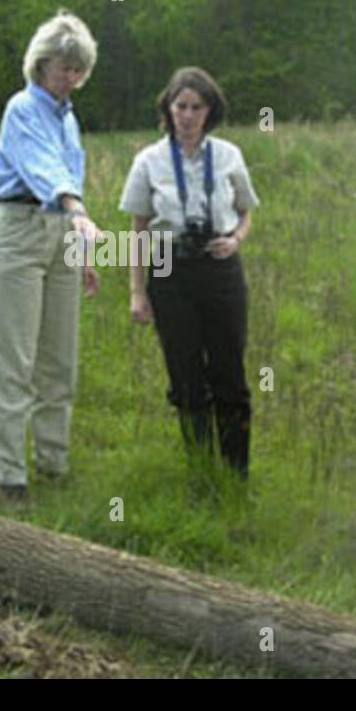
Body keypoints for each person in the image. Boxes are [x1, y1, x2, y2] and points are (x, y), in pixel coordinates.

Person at [0, 10, 100, 503]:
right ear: (41, 63)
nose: (69, 77)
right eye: (62, 66)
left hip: (61, 237)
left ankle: (54, 462)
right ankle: (11, 475)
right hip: (18, 231)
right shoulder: (22, 110)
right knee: (15, 358)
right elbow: (43, 169)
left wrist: (82, 248)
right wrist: (76, 209)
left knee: (59, 358)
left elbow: (69, 171)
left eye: (77, 69)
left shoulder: (69, 118)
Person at [120, 67, 260, 479]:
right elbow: (139, 229)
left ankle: (236, 472)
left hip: (220, 265)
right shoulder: (148, 160)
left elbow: (246, 212)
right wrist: (137, 292)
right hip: (168, 265)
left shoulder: (230, 155)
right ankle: (201, 470)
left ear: (210, 111)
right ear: (168, 107)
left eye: (197, 107)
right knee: (185, 374)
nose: (187, 115)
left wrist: (235, 239)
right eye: (180, 106)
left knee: (229, 371)